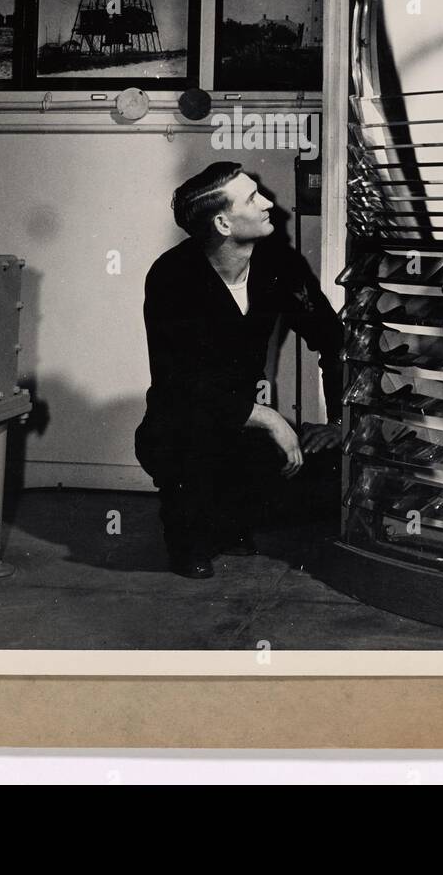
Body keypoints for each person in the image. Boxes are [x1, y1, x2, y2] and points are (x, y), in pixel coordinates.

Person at [134, 161, 344, 579]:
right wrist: (266, 417)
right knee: (189, 449)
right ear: (223, 223)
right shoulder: (172, 277)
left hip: (243, 429)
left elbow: (331, 339)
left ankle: (231, 519)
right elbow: (181, 384)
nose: (269, 203)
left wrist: (340, 420)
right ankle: (187, 536)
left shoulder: (280, 265)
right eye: (252, 198)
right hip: (182, 424)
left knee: (332, 473)